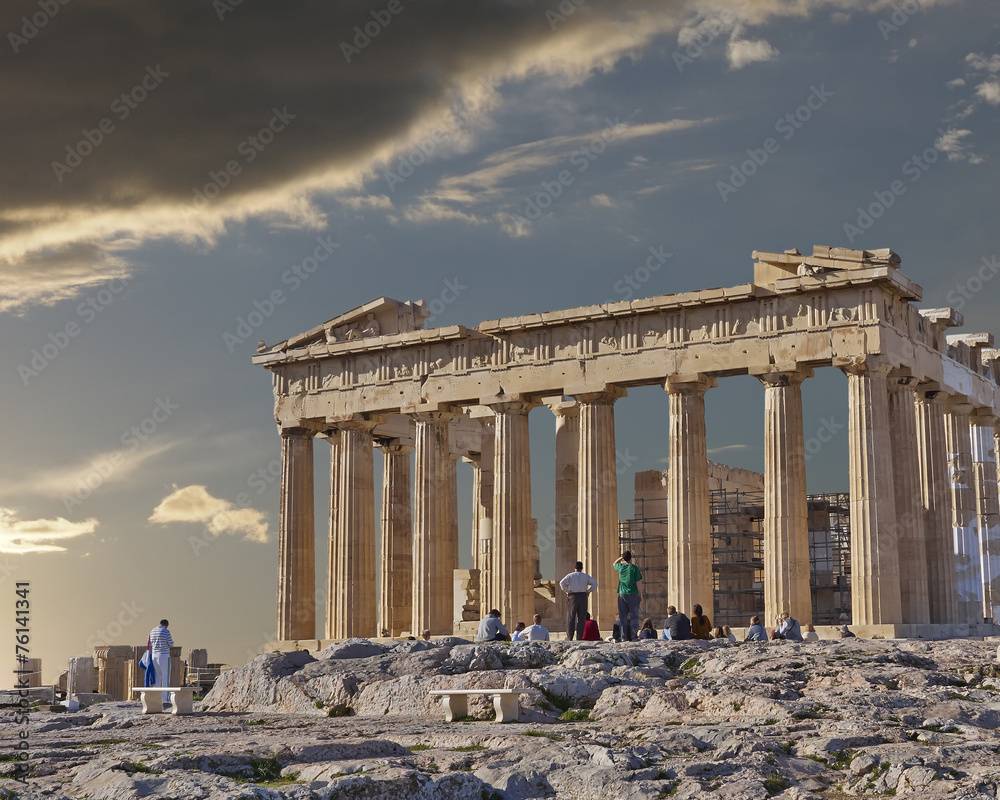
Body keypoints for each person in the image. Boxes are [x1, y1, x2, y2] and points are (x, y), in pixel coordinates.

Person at [559, 561, 598, 640]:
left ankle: (570, 636)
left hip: (573, 596)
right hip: (583, 596)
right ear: (582, 568)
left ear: (574, 568)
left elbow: (561, 583)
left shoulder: (570, 575)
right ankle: (579, 636)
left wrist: (567, 591)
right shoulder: (586, 576)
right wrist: (589, 591)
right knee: (582, 617)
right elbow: (595, 583)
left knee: (571, 617)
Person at [613, 551, 643, 641]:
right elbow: (639, 582)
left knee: (623, 616)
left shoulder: (621, 567)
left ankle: (623, 637)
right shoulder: (634, 568)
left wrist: (622, 558)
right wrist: (640, 593)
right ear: (631, 557)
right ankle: (634, 636)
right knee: (634, 616)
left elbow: (614, 563)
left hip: (622, 594)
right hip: (632, 594)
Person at [148, 619, 174, 706]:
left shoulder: (152, 631)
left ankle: (156, 698)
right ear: (166, 625)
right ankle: (165, 698)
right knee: (166, 677)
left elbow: (150, 644)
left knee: (157, 677)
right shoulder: (166, 631)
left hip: (154, 656)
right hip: (164, 655)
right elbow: (170, 643)